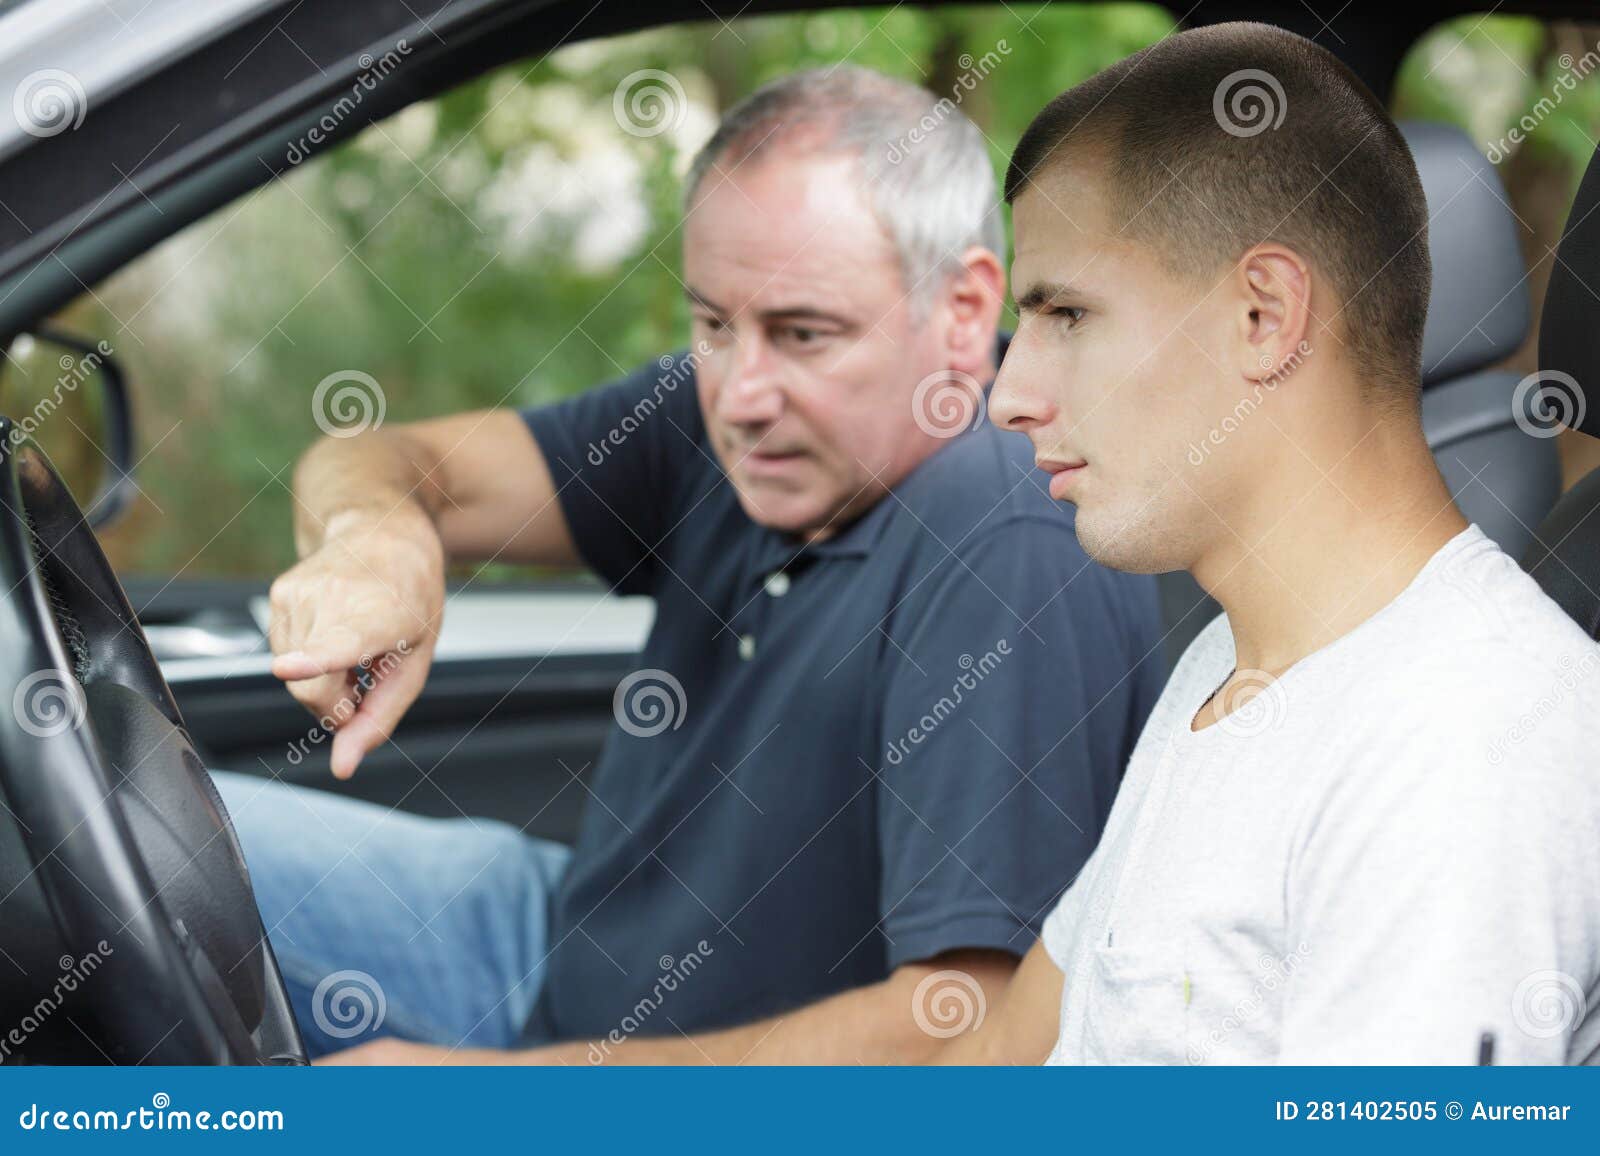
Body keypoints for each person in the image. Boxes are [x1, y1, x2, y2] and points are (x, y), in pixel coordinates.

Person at [211, 65, 1165, 1064]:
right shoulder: (733, 418)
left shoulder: (1008, 539)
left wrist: (493, 1095)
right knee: (121, 839)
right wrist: (382, 538)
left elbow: (967, 1032)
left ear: (965, 311)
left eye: (804, 333)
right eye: (712, 322)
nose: (742, 392)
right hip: (550, 934)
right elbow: (381, 459)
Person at [926, 21, 1600, 1065]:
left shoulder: (1461, 744)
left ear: (1262, 315)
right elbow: (1002, 1063)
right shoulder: (1234, 662)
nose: (1008, 395)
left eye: (1066, 313)